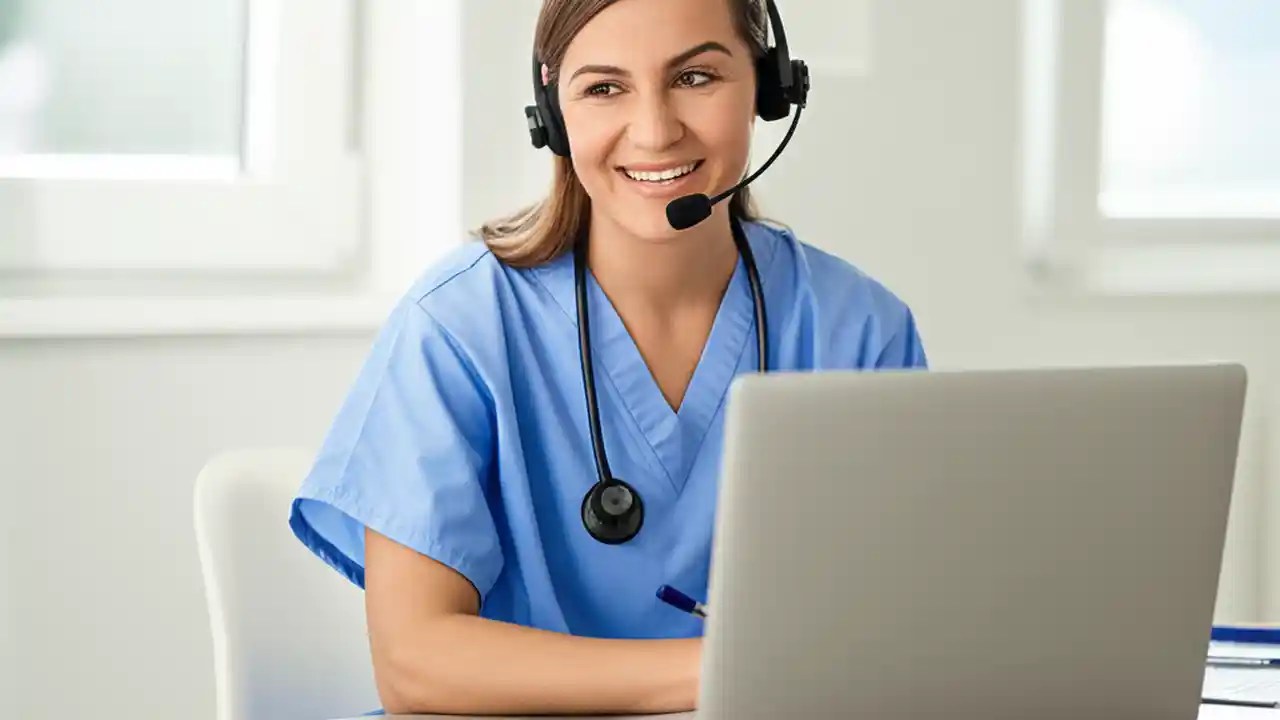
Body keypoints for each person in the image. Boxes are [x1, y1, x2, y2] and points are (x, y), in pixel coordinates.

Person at [288, 0, 927, 715]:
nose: (655, 131)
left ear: (769, 88)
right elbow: (416, 664)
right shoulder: (461, 323)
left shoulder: (859, 328)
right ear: (552, 115)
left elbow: (897, 632)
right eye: (603, 88)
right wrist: (730, 669)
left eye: (695, 77)